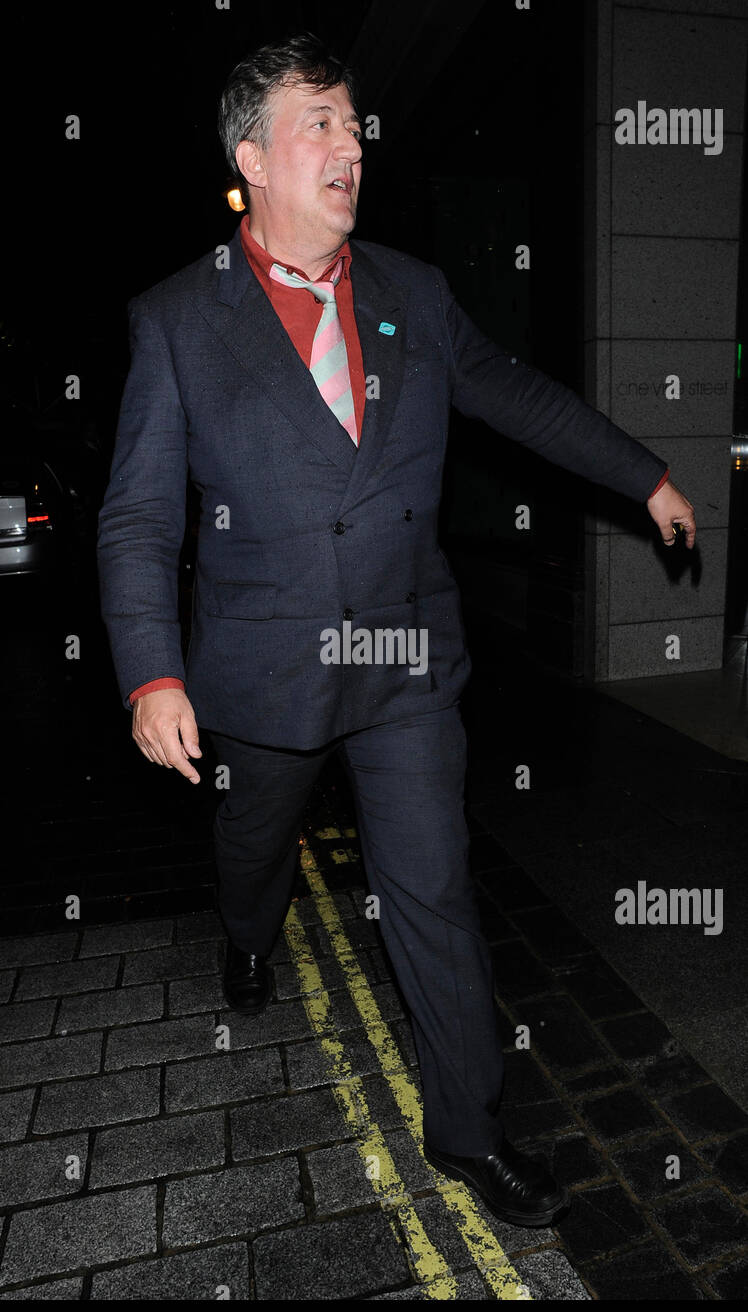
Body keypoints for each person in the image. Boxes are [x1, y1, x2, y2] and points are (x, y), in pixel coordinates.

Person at [96, 32, 696, 1230]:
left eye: (355, 121)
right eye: (318, 120)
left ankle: (469, 1129)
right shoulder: (176, 321)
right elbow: (138, 514)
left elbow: (515, 394)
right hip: (264, 669)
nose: (350, 141)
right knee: (252, 843)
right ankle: (245, 933)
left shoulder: (414, 295)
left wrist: (642, 477)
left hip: (404, 660)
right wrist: (151, 670)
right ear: (252, 157)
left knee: (432, 890)